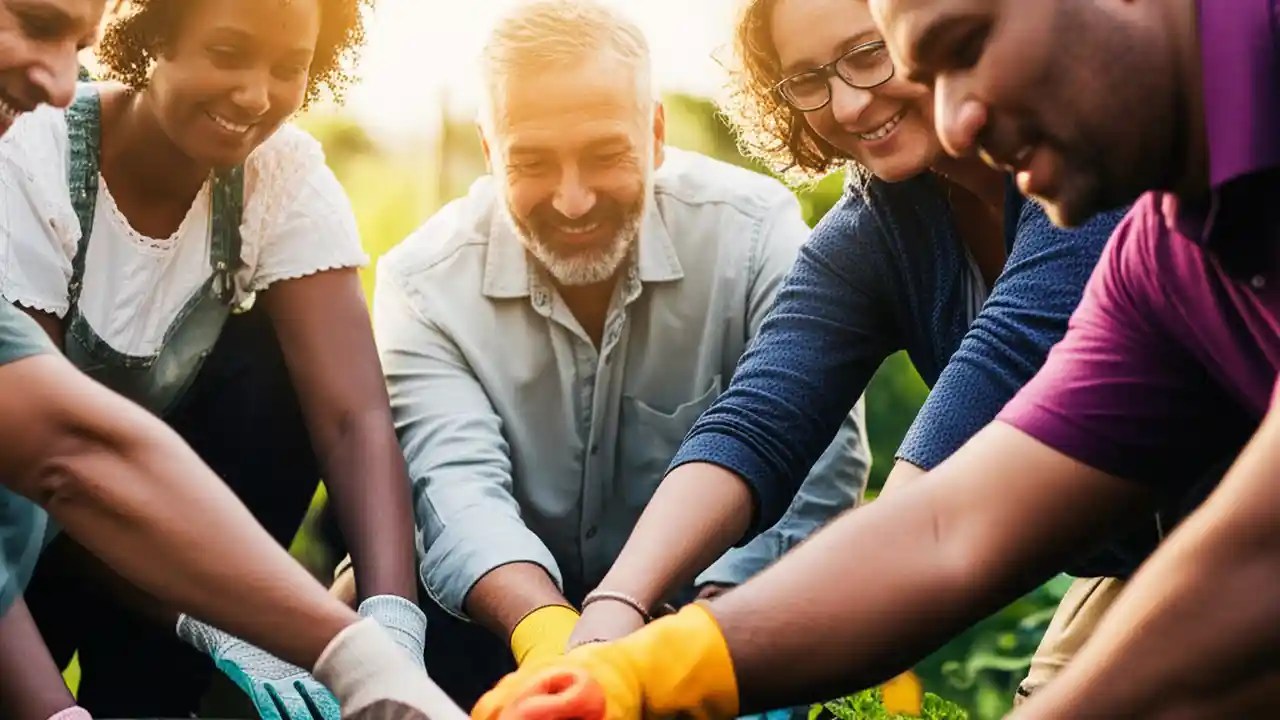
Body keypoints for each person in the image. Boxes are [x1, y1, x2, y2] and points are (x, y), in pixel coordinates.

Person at [470, 0, 1280, 717]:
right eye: (813, 78)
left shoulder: (1096, 210)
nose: (956, 118)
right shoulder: (1158, 250)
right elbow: (931, 525)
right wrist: (629, 661)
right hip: (1163, 561)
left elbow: (1254, 555)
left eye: (960, 44)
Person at [350, 0, 868, 708]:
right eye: (532, 162)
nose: (572, 199)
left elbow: (817, 462)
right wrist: (555, 643)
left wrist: (692, 647)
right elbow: (456, 489)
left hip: (721, 625)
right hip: (499, 638)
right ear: (488, 151)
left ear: (653, 134)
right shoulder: (424, 285)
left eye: (604, 154)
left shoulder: (753, 239)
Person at [0, 2, 457, 720]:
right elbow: (60, 457)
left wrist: (390, 633)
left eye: (288, 67)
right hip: (23, 546)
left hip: (164, 541)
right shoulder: (33, 150)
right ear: (153, 38)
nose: (255, 94)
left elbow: (352, 419)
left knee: (276, 364)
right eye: (227, 51)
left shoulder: (278, 178)